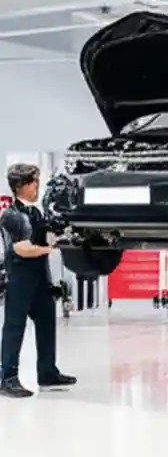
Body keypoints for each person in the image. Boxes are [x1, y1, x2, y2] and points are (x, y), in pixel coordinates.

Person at [0, 163, 76, 397]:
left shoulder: (34, 213)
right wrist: (51, 248)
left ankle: (47, 372)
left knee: (46, 322)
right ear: (20, 186)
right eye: (33, 182)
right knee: (14, 326)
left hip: (39, 279)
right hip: (20, 279)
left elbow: (47, 232)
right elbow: (23, 249)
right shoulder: (12, 216)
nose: (37, 186)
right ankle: (7, 378)